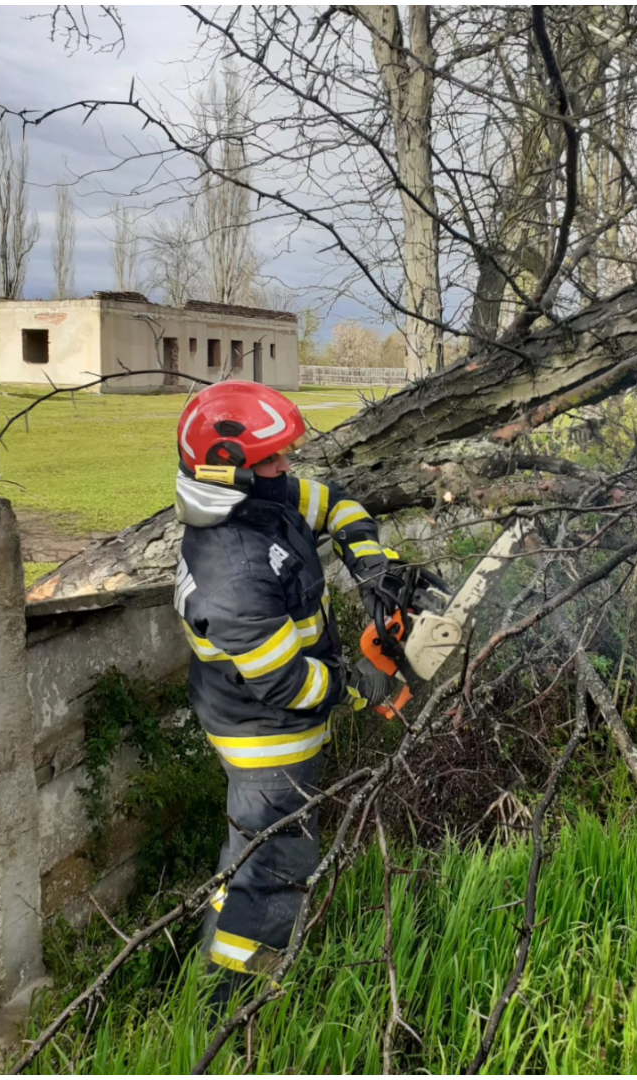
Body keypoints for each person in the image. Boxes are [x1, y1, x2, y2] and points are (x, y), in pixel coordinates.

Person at [171, 380, 406, 1009]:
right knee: (277, 865)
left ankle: (220, 931)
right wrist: (358, 686)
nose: (287, 469)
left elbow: (336, 503)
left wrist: (371, 562)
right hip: (267, 740)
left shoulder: (255, 501)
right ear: (229, 468)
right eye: (273, 459)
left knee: (250, 845)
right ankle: (234, 1004)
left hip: (256, 719)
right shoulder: (234, 570)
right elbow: (289, 683)